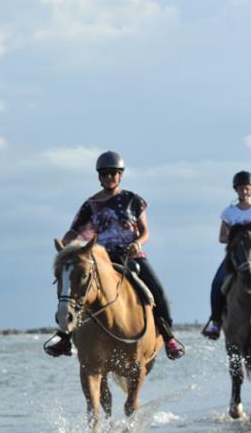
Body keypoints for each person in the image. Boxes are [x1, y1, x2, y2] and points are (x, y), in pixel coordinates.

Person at [44, 151, 186, 360]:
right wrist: (66, 246)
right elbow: (74, 231)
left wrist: (137, 243)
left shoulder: (133, 200)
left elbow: (145, 231)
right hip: (102, 259)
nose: (109, 177)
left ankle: (168, 337)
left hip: (131, 256)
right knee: (76, 290)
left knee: (157, 291)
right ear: (99, 176)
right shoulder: (90, 204)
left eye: (113, 173)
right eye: (105, 174)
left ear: (120, 175)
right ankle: (66, 336)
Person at [201, 171, 251, 340]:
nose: (244, 192)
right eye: (241, 189)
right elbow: (221, 237)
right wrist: (235, 238)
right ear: (236, 190)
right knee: (217, 282)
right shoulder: (229, 213)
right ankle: (216, 322)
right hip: (237, 256)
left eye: (247, 188)